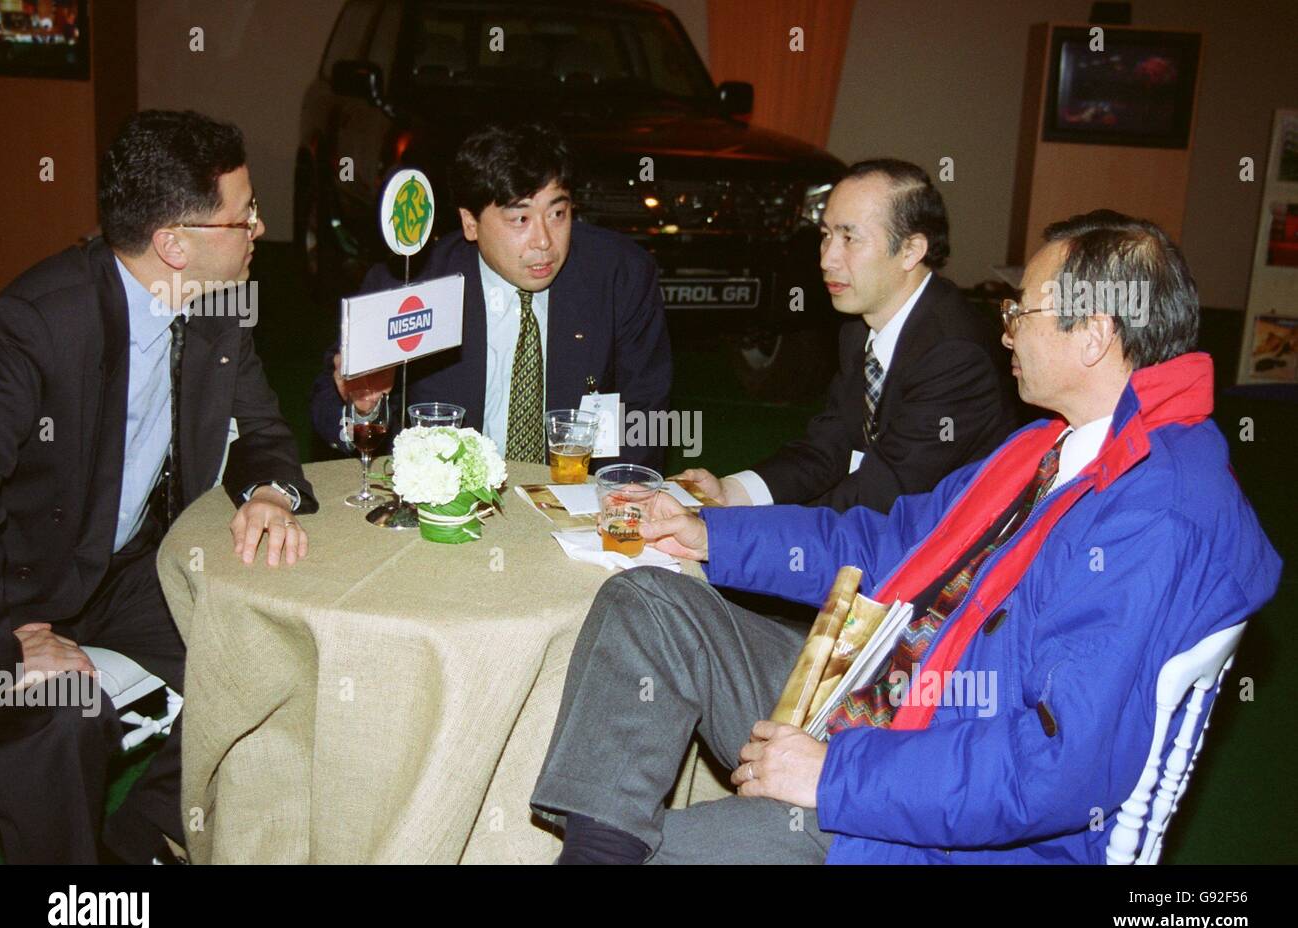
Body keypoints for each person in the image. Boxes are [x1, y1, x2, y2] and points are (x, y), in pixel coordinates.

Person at [530, 210, 1281, 864]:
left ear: (1094, 335)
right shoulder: (1052, 446)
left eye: (1022, 311)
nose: (1007, 327)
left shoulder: (1154, 515)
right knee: (648, 600)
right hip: (883, 694)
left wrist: (832, 774)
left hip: (934, 828)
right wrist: (711, 534)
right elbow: (886, 543)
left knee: (663, 853)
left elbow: (1055, 769)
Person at [0, 109, 317, 864]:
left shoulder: (220, 304)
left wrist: (270, 491)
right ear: (174, 243)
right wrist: (9, 644)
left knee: (270, 649)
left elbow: (266, 432)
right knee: (63, 713)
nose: (259, 228)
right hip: (18, 590)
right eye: (243, 218)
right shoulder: (35, 327)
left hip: (121, 572)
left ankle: (139, 838)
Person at [310, 121, 672, 470]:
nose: (544, 241)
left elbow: (646, 411)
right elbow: (327, 403)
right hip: (446, 503)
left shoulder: (619, 274)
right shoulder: (414, 283)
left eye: (558, 213)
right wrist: (365, 409)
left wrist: (620, 495)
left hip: (571, 498)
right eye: (521, 220)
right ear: (470, 222)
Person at [677, 159, 1017, 513]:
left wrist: (732, 530)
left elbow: (883, 498)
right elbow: (831, 444)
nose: (827, 259)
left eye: (849, 238)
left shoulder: (955, 355)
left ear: (911, 250)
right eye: (826, 235)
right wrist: (733, 492)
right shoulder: (858, 327)